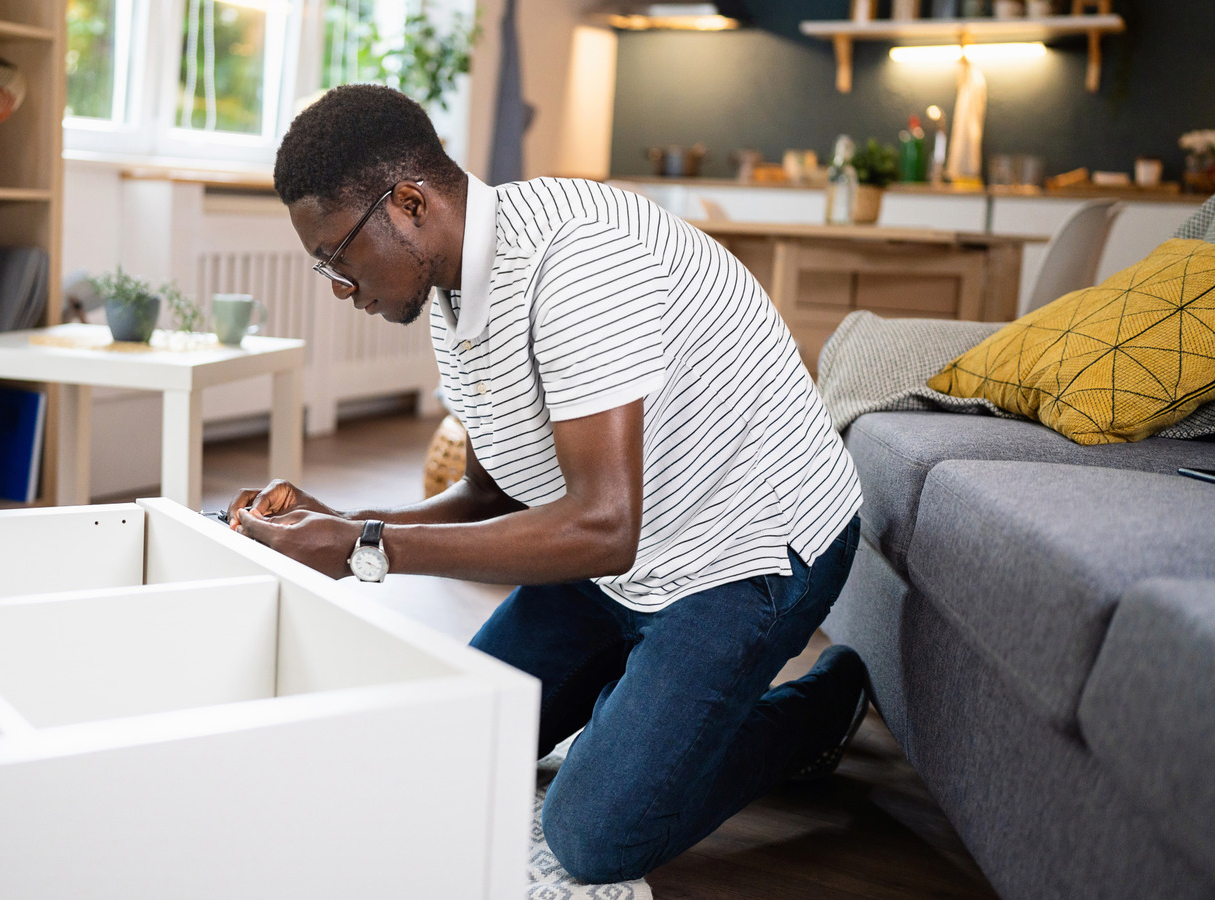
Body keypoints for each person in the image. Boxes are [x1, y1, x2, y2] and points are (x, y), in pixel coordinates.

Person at [225, 84, 867, 884]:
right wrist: (347, 518)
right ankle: (647, 704)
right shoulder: (448, 289)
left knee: (595, 834)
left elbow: (603, 525)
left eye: (338, 257)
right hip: (615, 563)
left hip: (744, 554)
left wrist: (364, 548)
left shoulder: (579, 263)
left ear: (411, 205)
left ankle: (816, 711)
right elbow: (491, 499)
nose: (337, 285)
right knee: (458, 747)